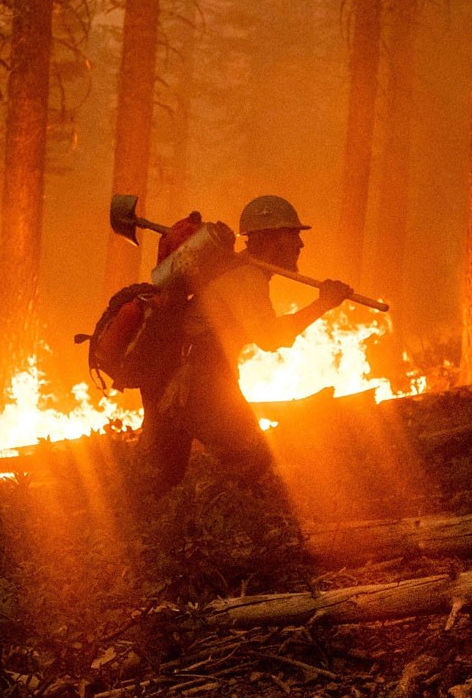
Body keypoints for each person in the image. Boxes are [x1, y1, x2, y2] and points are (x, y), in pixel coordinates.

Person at [135, 195, 353, 499]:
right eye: (292, 235)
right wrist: (323, 304)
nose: (300, 244)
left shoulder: (238, 270)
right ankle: (228, 533)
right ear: (268, 241)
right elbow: (270, 338)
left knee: (161, 476)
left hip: (174, 377)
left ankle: (155, 533)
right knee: (252, 456)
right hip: (197, 380)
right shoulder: (246, 277)